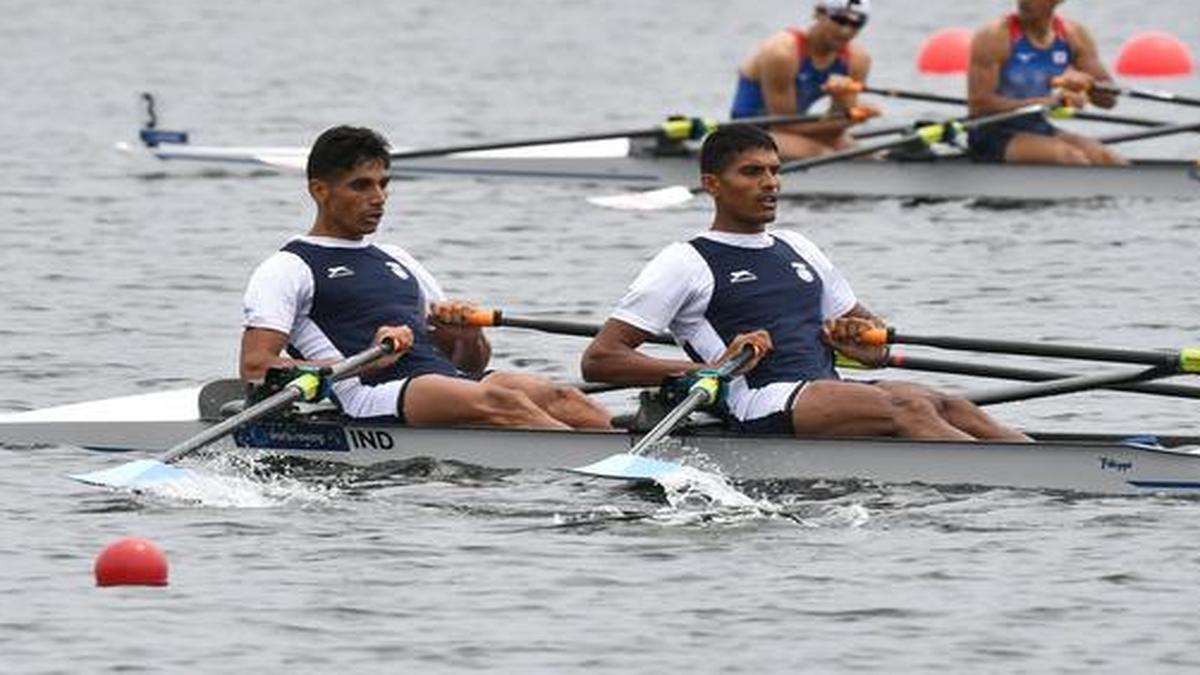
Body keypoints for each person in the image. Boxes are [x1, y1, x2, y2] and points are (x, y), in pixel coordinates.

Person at [581, 125, 1028, 441]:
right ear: (712, 184)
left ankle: (1040, 465)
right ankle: (1014, 486)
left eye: (776, 171)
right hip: (758, 399)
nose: (771, 183)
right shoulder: (685, 261)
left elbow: (871, 345)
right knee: (909, 408)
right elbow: (601, 359)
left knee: (947, 404)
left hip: (823, 390)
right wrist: (710, 368)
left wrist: (866, 349)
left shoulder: (798, 246)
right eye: (752, 173)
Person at [239, 125, 611, 430]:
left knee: (562, 397)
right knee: (503, 401)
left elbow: (471, 364)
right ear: (319, 190)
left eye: (383, 183)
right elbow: (256, 367)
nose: (379, 197)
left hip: (443, 382)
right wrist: (367, 361)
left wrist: (466, 336)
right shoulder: (287, 268)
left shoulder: (396, 258)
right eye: (361, 185)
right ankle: (593, 469)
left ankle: (640, 456)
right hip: (368, 393)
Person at [966, 0, 1125, 165]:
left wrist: (1087, 87)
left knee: (1106, 158)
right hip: (991, 134)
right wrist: (1048, 102)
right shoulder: (994, 36)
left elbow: (1109, 100)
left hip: (1038, 127)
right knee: (1071, 158)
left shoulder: (1073, 35)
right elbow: (980, 105)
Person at [730, 0, 875, 159]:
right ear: (819, 14)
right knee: (825, 156)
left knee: (864, 155)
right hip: (750, 132)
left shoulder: (857, 60)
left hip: (794, 129)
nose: (846, 30)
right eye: (839, 20)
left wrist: (841, 100)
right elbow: (784, 127)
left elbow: (836, 129)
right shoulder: (782, 53)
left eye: (857, 24)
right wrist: (852, 118)